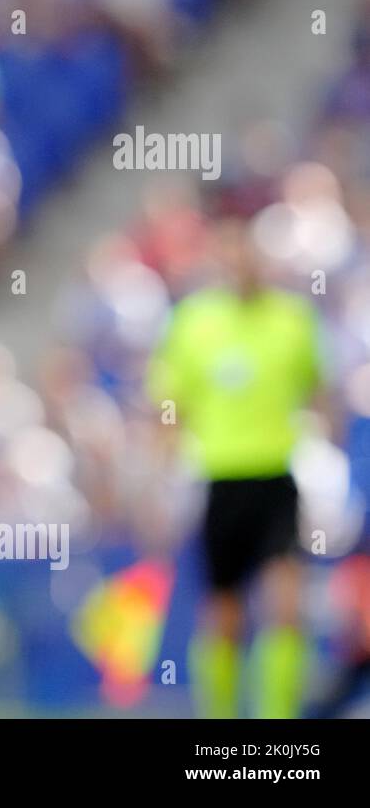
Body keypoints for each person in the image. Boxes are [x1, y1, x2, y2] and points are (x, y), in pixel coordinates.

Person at [146, 213, 329, 717]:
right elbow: (169, 408)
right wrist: (164, 486)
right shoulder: (192, 323)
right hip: (217, 480)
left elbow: (319, 393)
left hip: (275, 477)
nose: (239, 259)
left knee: (286, 608)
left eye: (246, 249)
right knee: (224, 615)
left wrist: (326, 460)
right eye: (228, 249)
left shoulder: (293, 319)